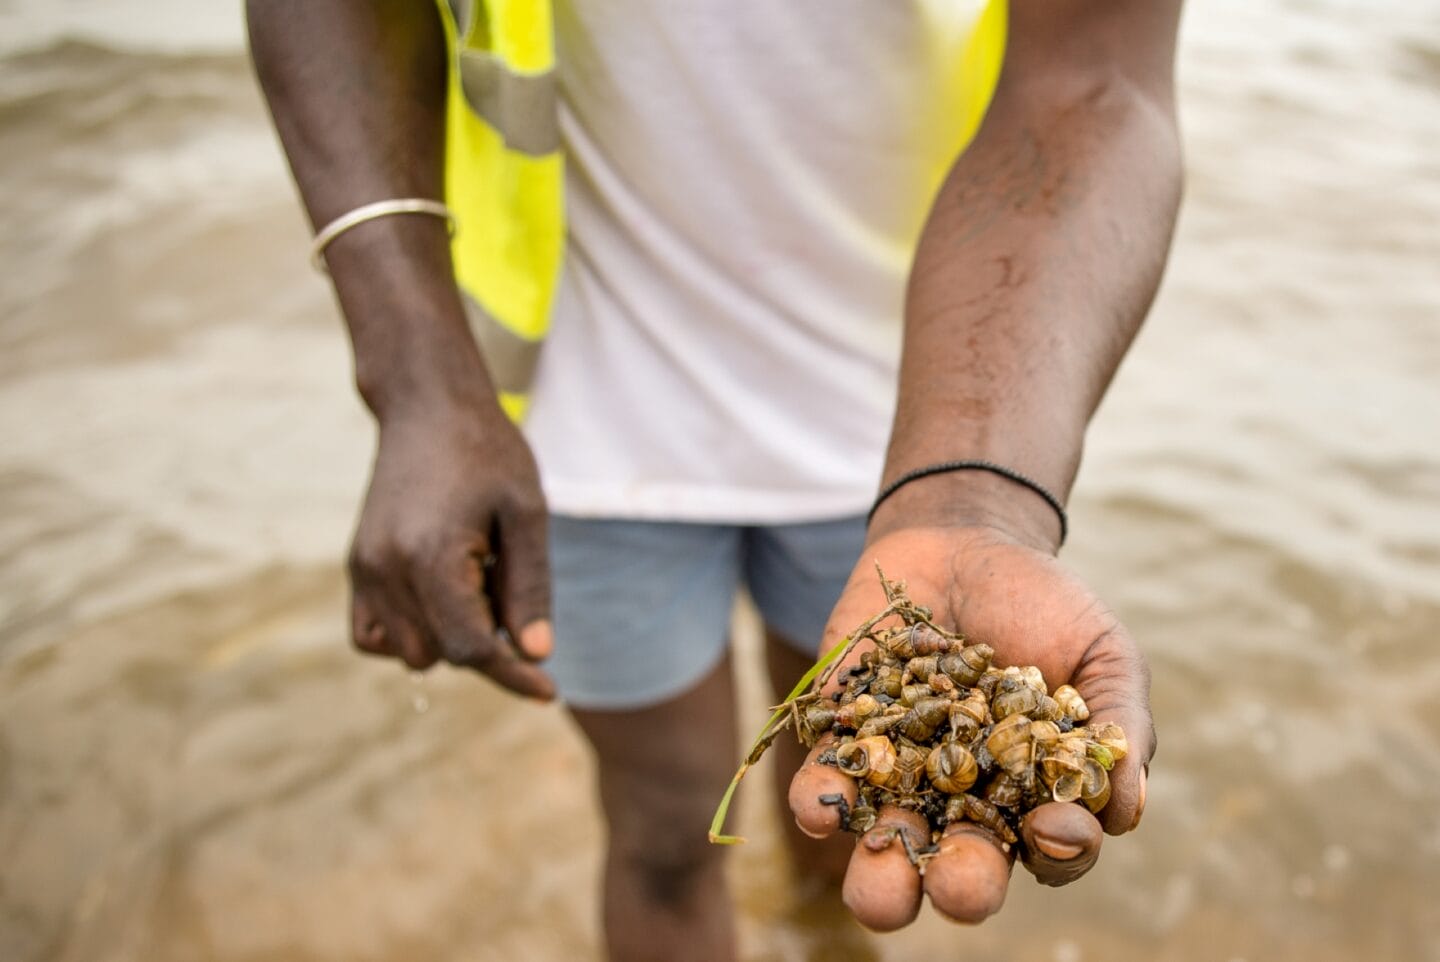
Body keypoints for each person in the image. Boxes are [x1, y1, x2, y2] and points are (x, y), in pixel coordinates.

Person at [248, 0, 1180, 958]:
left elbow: (1097, 84)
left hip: (917, 422)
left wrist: (973, 494)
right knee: (665, 828)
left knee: (847, 820)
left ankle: (819, 936)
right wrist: (418, 385)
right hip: (591, 414)